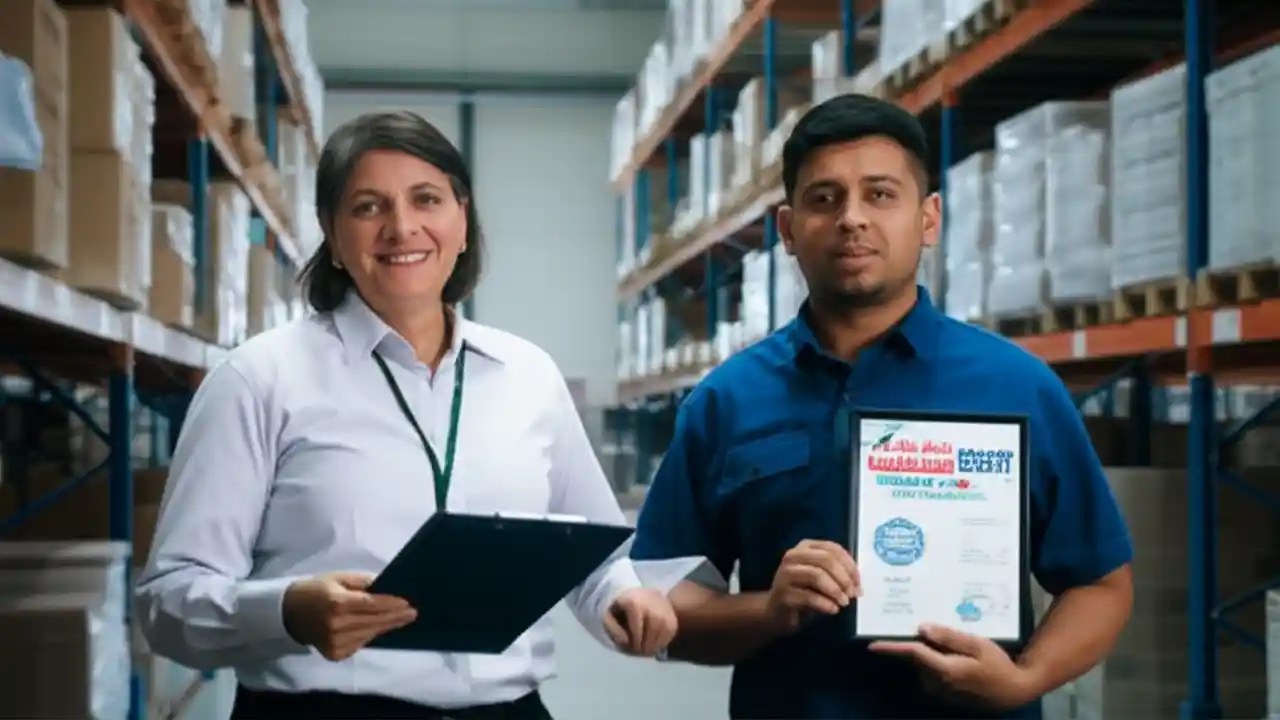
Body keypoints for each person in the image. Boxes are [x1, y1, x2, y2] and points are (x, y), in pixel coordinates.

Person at [135, 110, 677, 720]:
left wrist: (625, 598)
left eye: (427, 199)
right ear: (332, 235)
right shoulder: (259, 379)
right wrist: (286, 611)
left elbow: (593, 556)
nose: (402, 227)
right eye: (368, 207)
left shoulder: (529, 377)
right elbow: (167, 603)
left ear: (463, 220)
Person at [629, 93, 1134, 719]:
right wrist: (769, 608)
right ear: (787, 230)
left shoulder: (1019, 386)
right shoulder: (727, 401)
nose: (852, 219)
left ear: (929, 218)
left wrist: (1025, 679)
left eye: (881, 194)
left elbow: (1101, 582)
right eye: (824, 198)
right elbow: (664, 602)